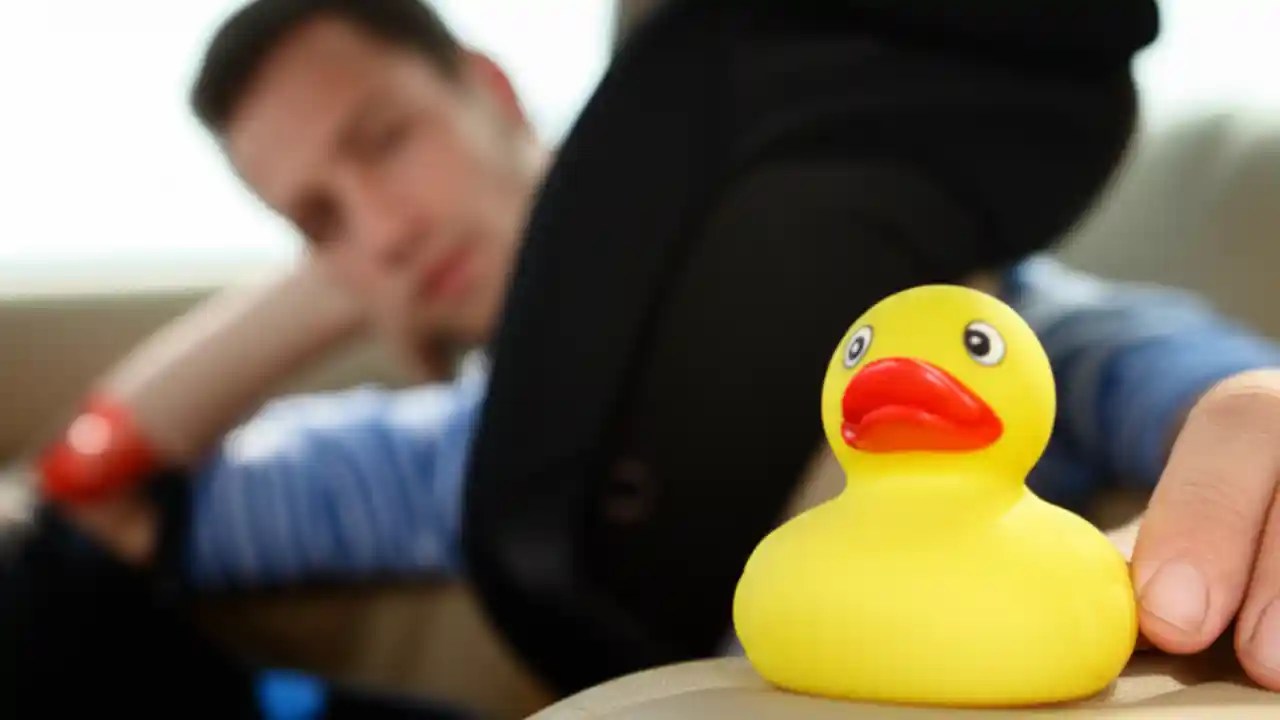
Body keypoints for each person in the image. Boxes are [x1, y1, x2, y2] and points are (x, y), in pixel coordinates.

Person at [6, 0, 1280, 716]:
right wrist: (328, 284)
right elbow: (83, 503)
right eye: (314, 217)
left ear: (493, 93)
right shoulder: (469, 455)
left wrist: (1249, 408)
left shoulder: (988, 331)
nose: (381, 229)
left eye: (384, 141)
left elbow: (1191, 389)